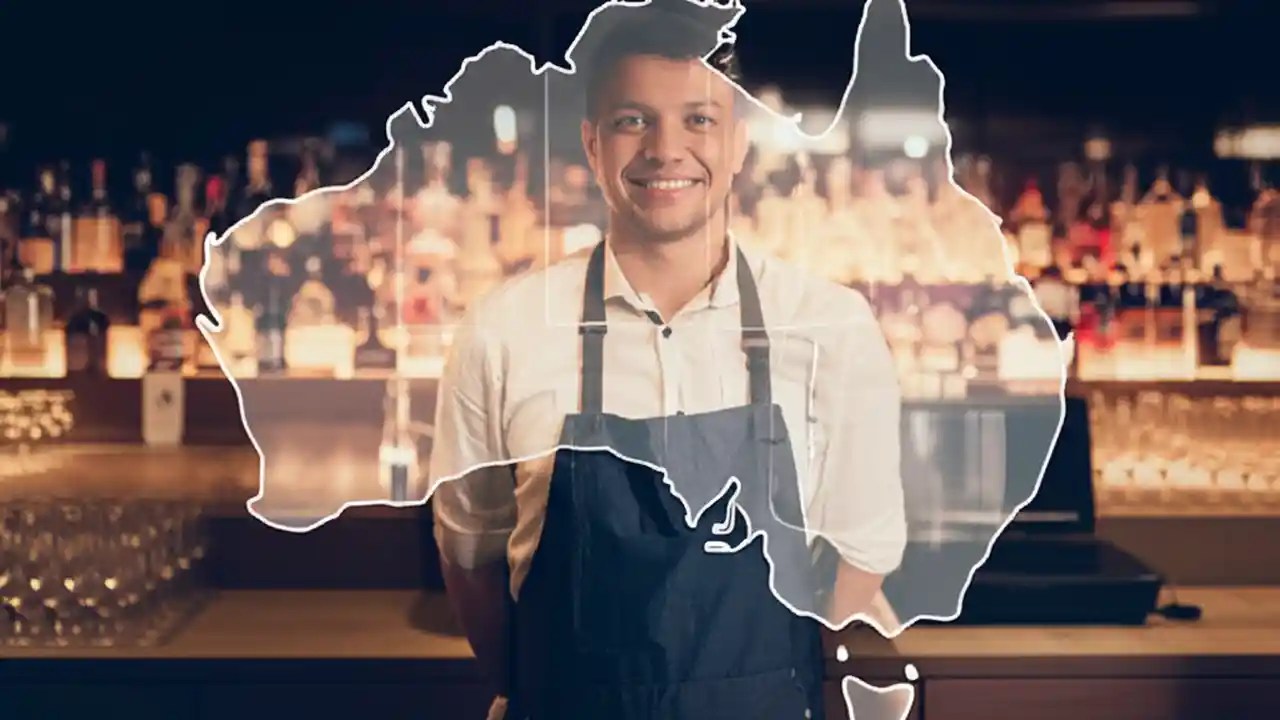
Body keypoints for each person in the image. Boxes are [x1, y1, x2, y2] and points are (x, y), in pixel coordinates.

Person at [429, 12, 905, 720]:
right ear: (593, 144)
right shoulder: (504, 332)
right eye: (633, 121)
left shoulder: (831, 328)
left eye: (699, 120)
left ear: (738, 144)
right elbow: (470, 555)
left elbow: (863, 551)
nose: (666, 149)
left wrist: (766, 682)